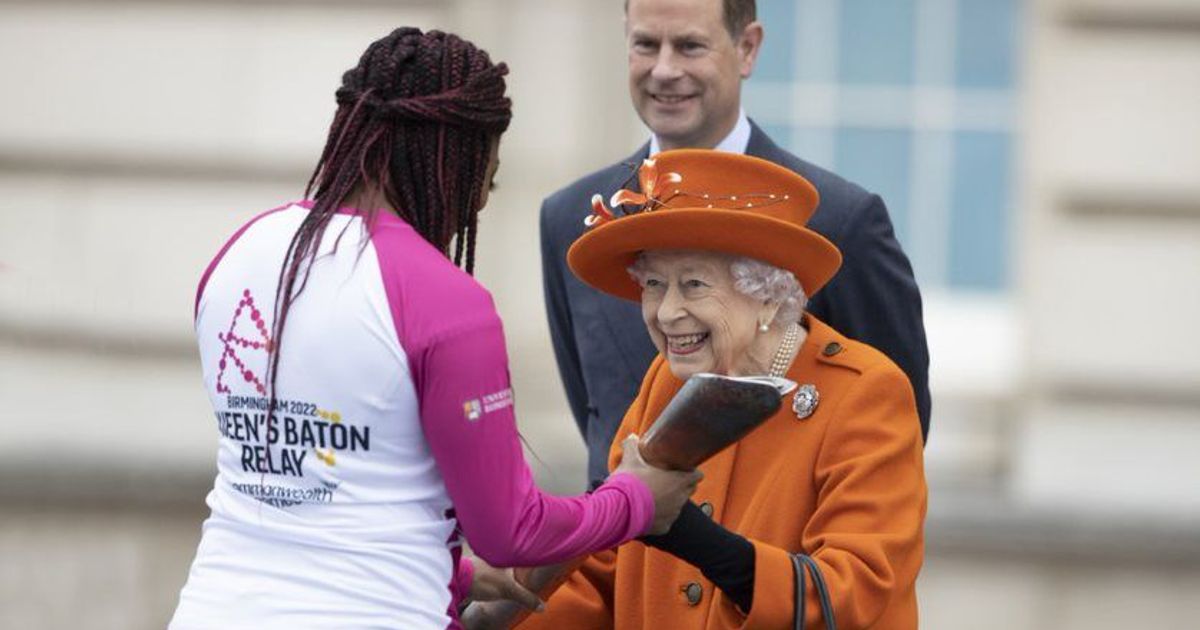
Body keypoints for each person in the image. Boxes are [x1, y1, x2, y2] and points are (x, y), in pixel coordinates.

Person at [170, 27, 700, 629]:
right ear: (454, 161)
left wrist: (455, 571)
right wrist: (636, 499)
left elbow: (312, 490)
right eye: (487, 177)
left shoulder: (240, 253)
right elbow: (511, 530)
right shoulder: (444, 301)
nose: (477, 204)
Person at [517, 150, 926, 629]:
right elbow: (607, 575)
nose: (666, 312)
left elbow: (855, 591)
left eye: (692, 284)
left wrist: (700, 542)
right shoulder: (666, 380)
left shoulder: (864, 393)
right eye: (653, 283)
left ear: (768, 295)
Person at [541, 0, 931, 488]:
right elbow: (594, 414)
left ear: (747, 48)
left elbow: (895, 433)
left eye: (689, 46)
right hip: (619, 557)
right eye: (645, 44)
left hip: (779, 558)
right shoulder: (570, 218)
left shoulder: (839, 220)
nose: (664, 70)